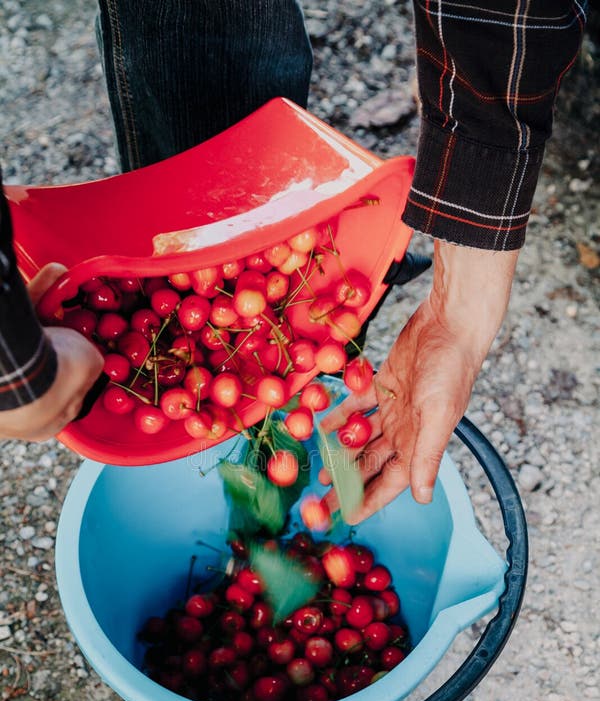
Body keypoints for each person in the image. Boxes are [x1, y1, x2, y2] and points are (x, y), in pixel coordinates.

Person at [0, 1, 587, 522]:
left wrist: (460, 314)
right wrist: (17, 372)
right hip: (192, 328)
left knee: (215, 53)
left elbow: (500, 13)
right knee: (207, 38)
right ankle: (213, 208)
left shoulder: (187, 359)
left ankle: (220, 212)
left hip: (189, 337)